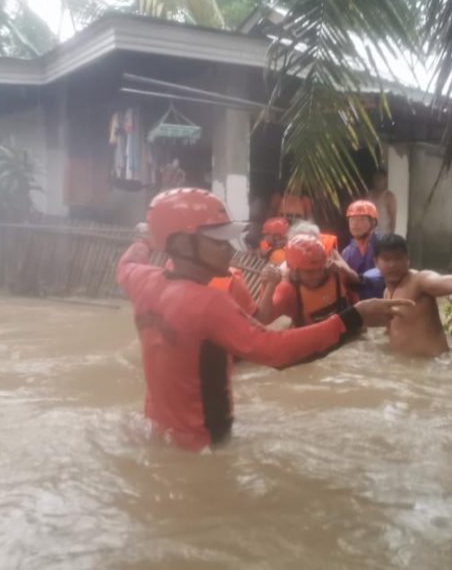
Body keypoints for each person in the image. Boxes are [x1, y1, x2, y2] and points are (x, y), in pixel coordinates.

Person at [116, 188, 412, 451]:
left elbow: (126, 263)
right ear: (181, 246)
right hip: (206, 443)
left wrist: (146, 240)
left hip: (157, 432)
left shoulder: (142, 280)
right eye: (218, 242)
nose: (230, 250)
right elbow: (275, 350)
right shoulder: (210, 304)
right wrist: (354, 319)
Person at [262, 234, 359, 327]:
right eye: (309, 272)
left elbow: (358, 283)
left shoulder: (335, 271)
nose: (317, 275)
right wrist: (270, 286)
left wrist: (344, 269)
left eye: (320, 269)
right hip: (317, 342)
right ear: (295, 271)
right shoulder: (288, 288)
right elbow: (264, 319)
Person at [341, 200, 385, 300]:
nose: (355, 224)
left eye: (361, 219)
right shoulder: (346, 252)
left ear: (373, 222)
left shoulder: (383, 245)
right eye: (352, 220)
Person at [368, 169, 397, 235]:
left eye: (380, 179)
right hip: (370, 234)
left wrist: (392, 236)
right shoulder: (369, 195)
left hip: (384, 235)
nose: (378, 181)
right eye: (376, 179)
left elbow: (393, 219)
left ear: (385, 180)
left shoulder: (389, 196)